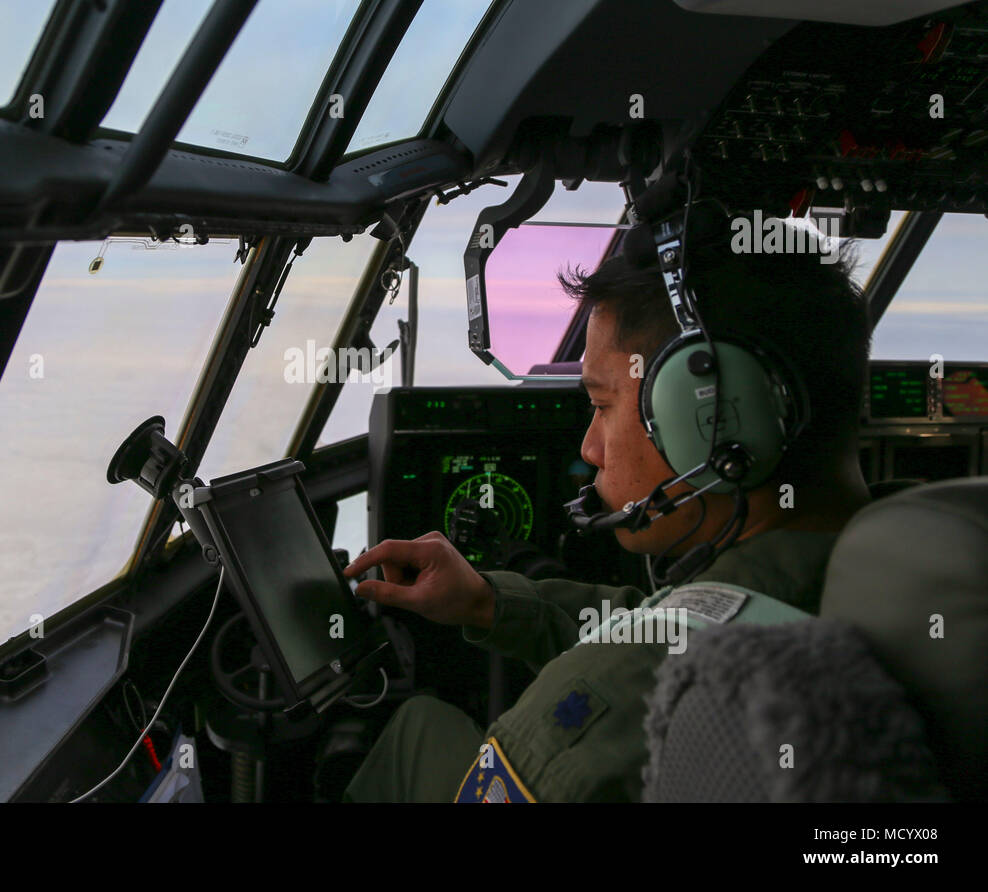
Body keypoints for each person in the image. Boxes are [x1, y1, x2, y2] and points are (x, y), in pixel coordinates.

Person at [342, 208, 874, 802]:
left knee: (416, 724)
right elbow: (672, 621)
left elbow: (643, 652)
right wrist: (489, 600)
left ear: (716, 420)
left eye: (602, 404)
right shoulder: (905, 563)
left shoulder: (614, 698)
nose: (589, 448)